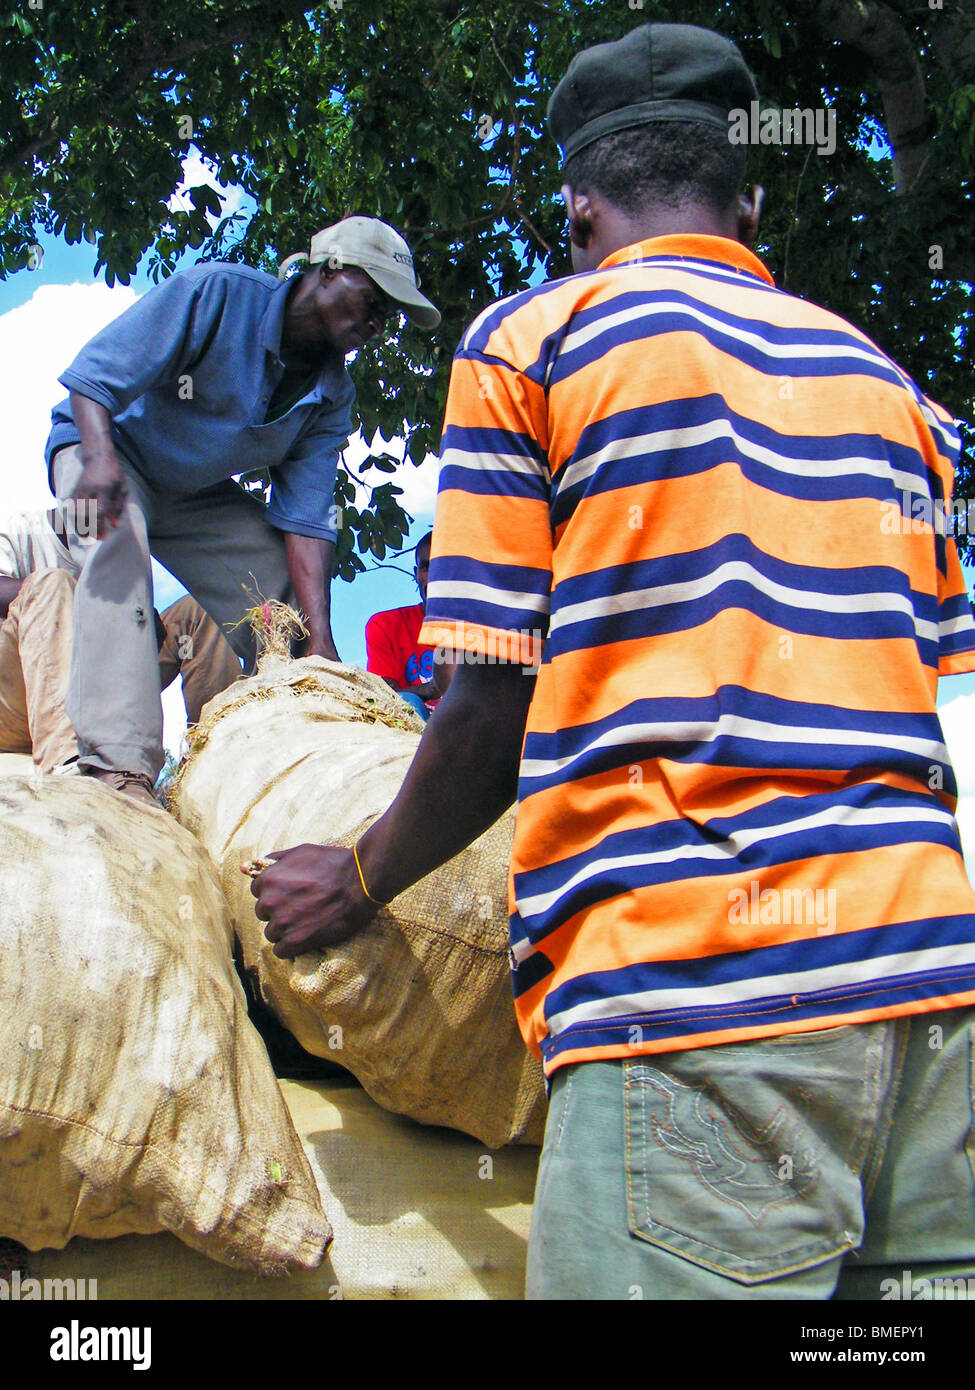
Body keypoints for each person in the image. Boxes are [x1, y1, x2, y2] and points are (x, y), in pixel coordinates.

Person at [249, 24, 975, 1300]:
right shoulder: (899, 393)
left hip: (702, 999)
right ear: (750, 200)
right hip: (936, 1014)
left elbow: (489, 703)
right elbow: (946, 708)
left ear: (576, 204)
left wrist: (359, 879)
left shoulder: (537, 343)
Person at [45, 216, 440, 803]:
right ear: (330, 269)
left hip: (192, 492)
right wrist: (98, 457)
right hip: (103, 450)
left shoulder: (333, 394)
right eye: (374, 297)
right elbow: (93, 379)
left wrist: (322, 646)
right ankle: (119, 770)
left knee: (280, 594)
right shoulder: (218, 294)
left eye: (391, 313)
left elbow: (305, 523)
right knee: (116, 548)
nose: (380, 321)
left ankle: (302, 734)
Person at [0, 505, 243, 774]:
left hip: (95, 689)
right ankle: (68, 765)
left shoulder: (119, 553)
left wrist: (145, 627)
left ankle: (219, 753)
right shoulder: (22, 529)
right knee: (51, 584)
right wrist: (87, 600)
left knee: (195, 617)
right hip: (17, 697)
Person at [365, 532, 452, 720]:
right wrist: (433, 688)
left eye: (443, 566)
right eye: (426, 567)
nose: (434, 577)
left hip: (474, 729)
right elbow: (381, 697)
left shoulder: (485, 627)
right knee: (406, 701)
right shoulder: (386, 625)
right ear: (416, 574)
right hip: (414, 732)